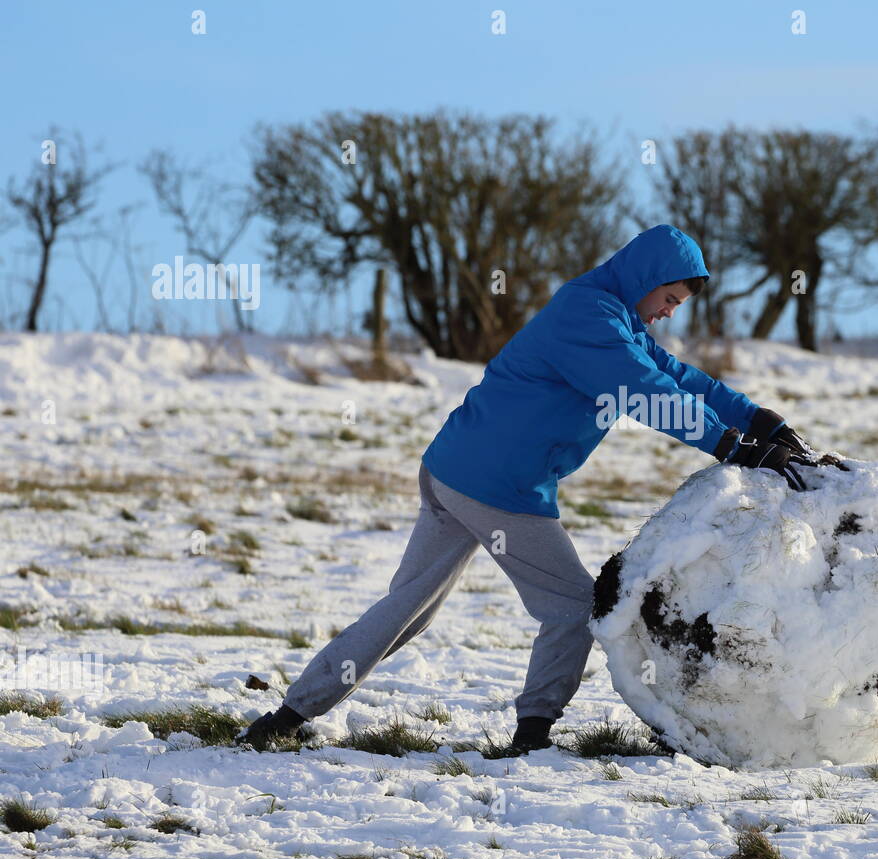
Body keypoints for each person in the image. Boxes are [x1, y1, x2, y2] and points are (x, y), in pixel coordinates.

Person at [238, 224, 817, 755]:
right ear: (646, 279)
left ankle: (286, 718)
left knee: (406, 609)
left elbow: (679, 377)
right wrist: (731, 447)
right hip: (497, 487)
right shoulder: (590, 321)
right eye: (668, 298)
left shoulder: (612, 314)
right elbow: (646, 392)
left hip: (454, 469)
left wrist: (761, 422)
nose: (668, 313)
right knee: (569, 604)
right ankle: (532, 734)